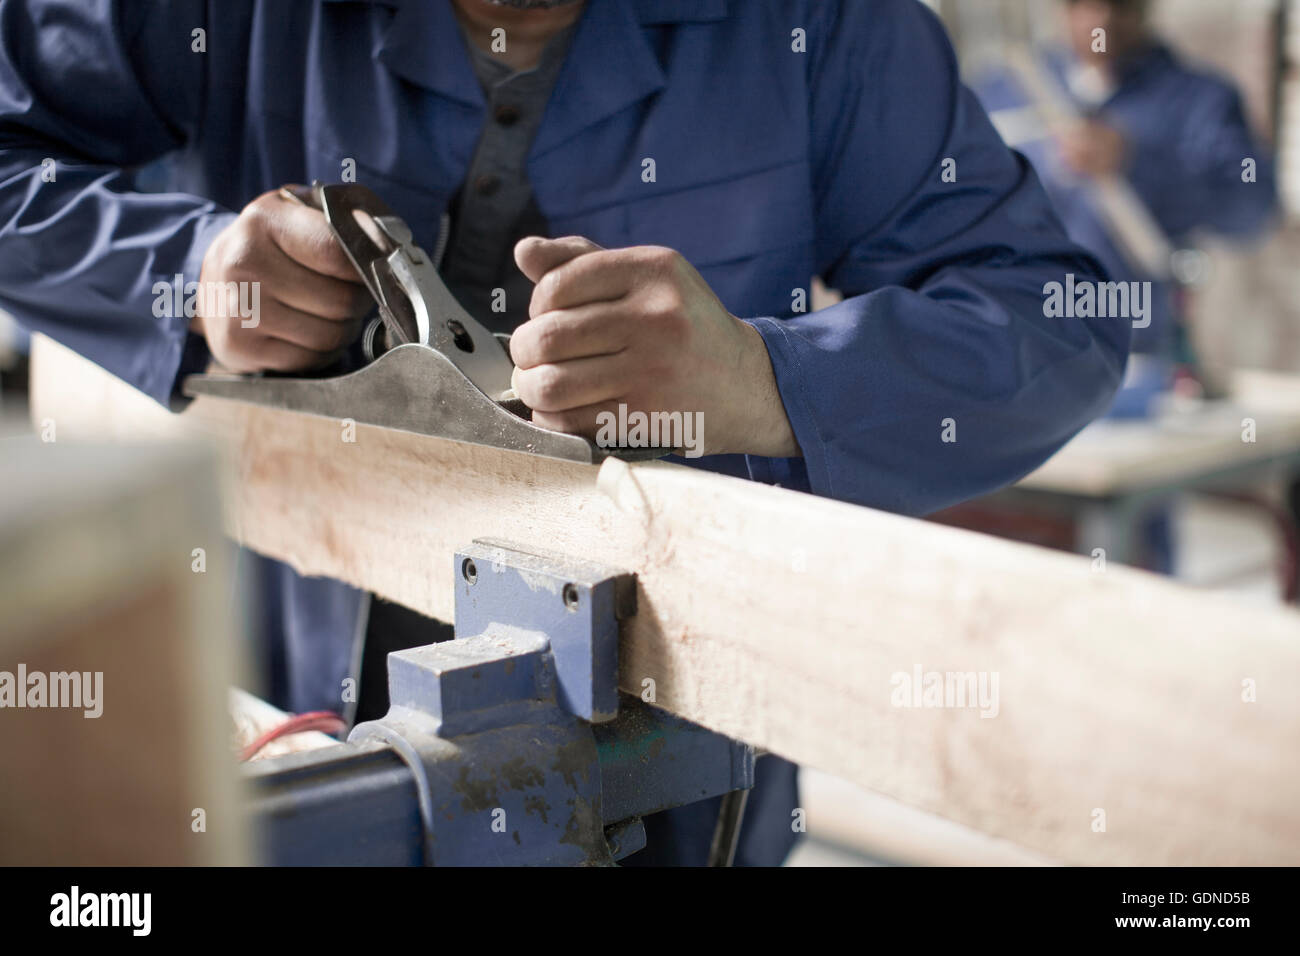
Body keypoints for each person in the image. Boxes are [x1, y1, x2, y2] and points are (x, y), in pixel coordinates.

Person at [0, 0, 1127, 865]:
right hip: (300, 700)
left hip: (679, 732)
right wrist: (185, 274)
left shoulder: (824, 27)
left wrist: (766, 375)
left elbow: (1054, 318)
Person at [973, 0, 1277, 573]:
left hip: (1136, 369)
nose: (1100, 22)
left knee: (1131, 553)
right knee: (1009, 549)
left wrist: (1140, 164)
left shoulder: (1197, 99)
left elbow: (1254, 205)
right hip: (1010, 360)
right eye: (1081, 5)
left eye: (1120, 6)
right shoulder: (1006, 89)